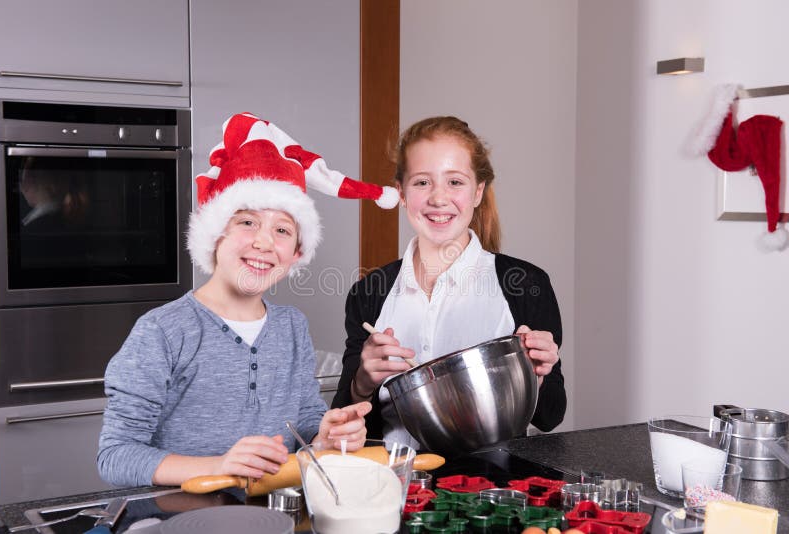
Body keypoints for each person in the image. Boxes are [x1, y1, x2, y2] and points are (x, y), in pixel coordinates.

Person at [98, 112, 399, 487]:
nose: (264, 242)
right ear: (214, 232)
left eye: (283, 230)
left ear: (295, 254)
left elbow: (304, 426)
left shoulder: (292, 326)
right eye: (247, 222)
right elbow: (116, 455)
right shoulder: (163, 330)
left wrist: (326, 436)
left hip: (274, 515)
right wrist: (218, 465)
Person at [332, 116, 566, 447]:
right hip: (394, 487)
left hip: (492, 490)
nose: (438, 198)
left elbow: (551, 416)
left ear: (478, 192)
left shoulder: (526, 285)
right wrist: (361, 382)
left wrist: (536, 376)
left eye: (455, 182)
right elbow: (346, 420)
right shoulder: (369, 292)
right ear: (401, 193)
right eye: (422, 183)